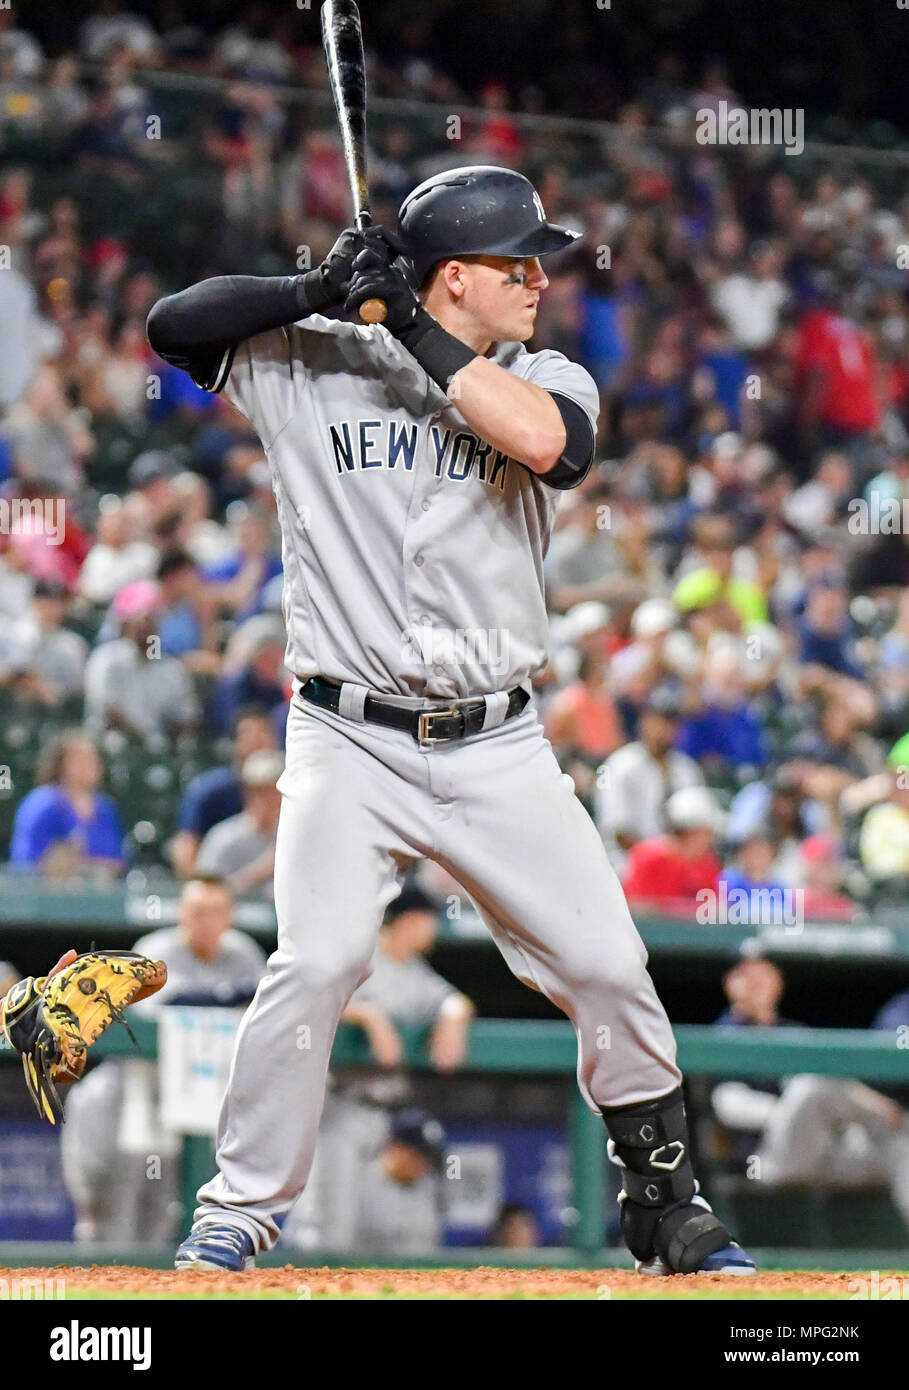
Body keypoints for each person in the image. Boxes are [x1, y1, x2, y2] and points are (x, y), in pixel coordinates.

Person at [148, 164, 754, 1277]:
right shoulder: (311, 358)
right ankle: (239, 1207)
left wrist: (417, 325)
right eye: (518, 263)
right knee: (320, 958)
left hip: (499, 742)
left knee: (609, 964)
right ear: (459, 272)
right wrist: (313, 290)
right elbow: (170, 325)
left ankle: (665, 1202)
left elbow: (553, 447)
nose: (538, 279)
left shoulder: (547, 369)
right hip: (348, 735)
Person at [60, 877, 267, 1246]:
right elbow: (170, 1004)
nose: (206, 921)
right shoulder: (154, 949)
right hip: (138, 1096)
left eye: (216, 912)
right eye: (197, 912)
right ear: (182, 915)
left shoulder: (243, 953)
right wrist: (230, 995)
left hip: (199, 1100)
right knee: (122, 1205)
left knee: (167, 1210)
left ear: (230, 917)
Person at [282, 885, 473, 1252]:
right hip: (340, 1106)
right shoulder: (362, 958)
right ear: (411, 921)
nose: (434, 930)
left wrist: (454, 1016)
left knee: (359, 1231)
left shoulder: (413, 969)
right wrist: (370, 1016)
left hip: (384, 1117)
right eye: (428, 921)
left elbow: (451, 999)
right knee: (325, 1229)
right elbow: (312, 996)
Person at [594, 685, 703, 877]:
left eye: (672, 723)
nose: (665, 729)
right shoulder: (620, 765)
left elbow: (698, 826)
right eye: (659, 721)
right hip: (626, 863)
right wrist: (656, 860)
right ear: (644, 722)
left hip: (677, 865)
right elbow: (618, 831)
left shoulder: (687, 768)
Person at [171, 706, 277, 879]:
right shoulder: (210, 791)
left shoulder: (289, 785)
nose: (258, 741)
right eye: (249, 734)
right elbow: (185, 853)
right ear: (236, 743)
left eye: (264, 733)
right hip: (220, 878)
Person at [9, 729, 123, 878]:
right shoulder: (43, 802)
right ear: (61, 764)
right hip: (43, 893)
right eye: (80, 760)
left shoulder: (105, 808)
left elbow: (117, 859)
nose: (89, 766)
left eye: (93, 759)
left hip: (99, 894)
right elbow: (27, 861)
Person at [195, 749, 284, 900]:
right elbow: (205, 894)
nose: (270, 798)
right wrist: (260, 871)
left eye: (274, 790)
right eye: (261, 790)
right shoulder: (224, 837)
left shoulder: (292, 836)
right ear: (247, 791)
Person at [622, 785, 724, 906]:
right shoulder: (646, 856)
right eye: (705, 832)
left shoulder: (708, 865)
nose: (710, 839)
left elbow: (712, 911)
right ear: (689, 832)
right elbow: (635, 906)